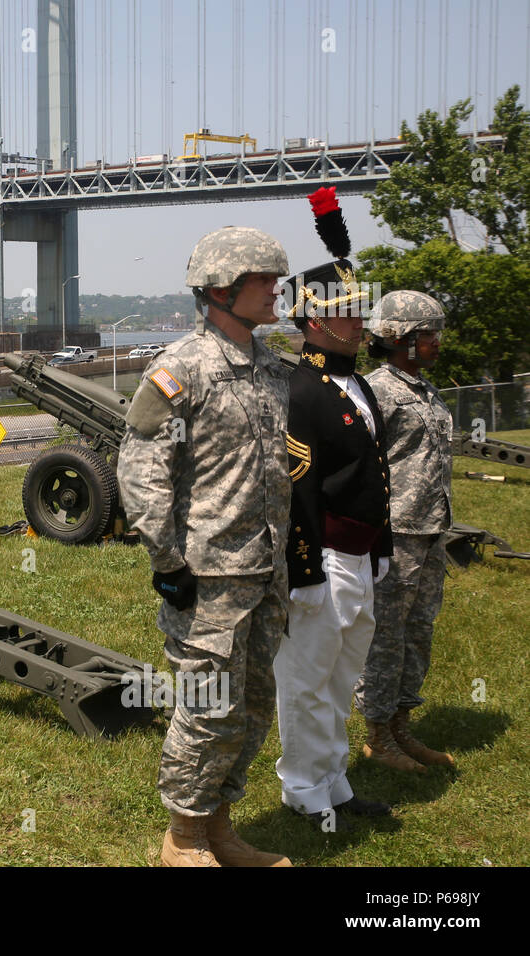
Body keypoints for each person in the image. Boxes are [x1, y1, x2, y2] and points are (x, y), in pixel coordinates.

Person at [117, 226, 292, 867]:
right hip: (208, 574)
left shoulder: (271, 366)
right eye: (264, 280)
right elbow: (141, 470)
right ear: (223, 289)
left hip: (263, 568)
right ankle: (182, 838)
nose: (277, 289)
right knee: (206, 707)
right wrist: (167, 561)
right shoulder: (180, 369)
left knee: (251, 705)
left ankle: (219, 827)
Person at [276, 187, 393, 830]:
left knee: (343, 678)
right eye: (349, 313)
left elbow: (370, 474)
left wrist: (380, 552)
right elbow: (298, 487)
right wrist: (306, 572)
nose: (361, 322)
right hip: (321, 557)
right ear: (314, 322)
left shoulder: (358, 383)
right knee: (309, 683)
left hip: (361, 554)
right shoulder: (302, 391)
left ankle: (334, 781)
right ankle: (302, 791)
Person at [354, 291, 456, 770]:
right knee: (385, 636)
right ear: (401, 339)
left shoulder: (426, 391)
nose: (437, 342)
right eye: (428, 335)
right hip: (394, 534)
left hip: (430, 531)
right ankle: (378, 734)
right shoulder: (375, 392)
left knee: (418, 632)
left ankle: (401, 725)